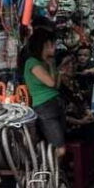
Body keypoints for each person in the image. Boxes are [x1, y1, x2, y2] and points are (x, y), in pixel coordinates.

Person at [61, 53, 94, 169]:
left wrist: (88, 112)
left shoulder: (73, 83)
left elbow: (82, 102)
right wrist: (80, 122)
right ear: (59, 68)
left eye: (72, 63)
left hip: (82, 121)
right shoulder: (58, 88)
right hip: (70, 128)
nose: (71, 66)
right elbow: (61, 116)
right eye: (66, 64)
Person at [24, 27, 66, 157]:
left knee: (57, 145)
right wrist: (53, 66)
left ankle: (55, 173)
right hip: (45, 107)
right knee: (60, 149)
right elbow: (51, 83)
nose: (54, 47)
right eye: (51, 44)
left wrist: (55, 68)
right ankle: (48, 173)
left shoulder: (44, 62)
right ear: (43, 45)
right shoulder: (33, 63)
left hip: (55, 104)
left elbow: (56, 85)